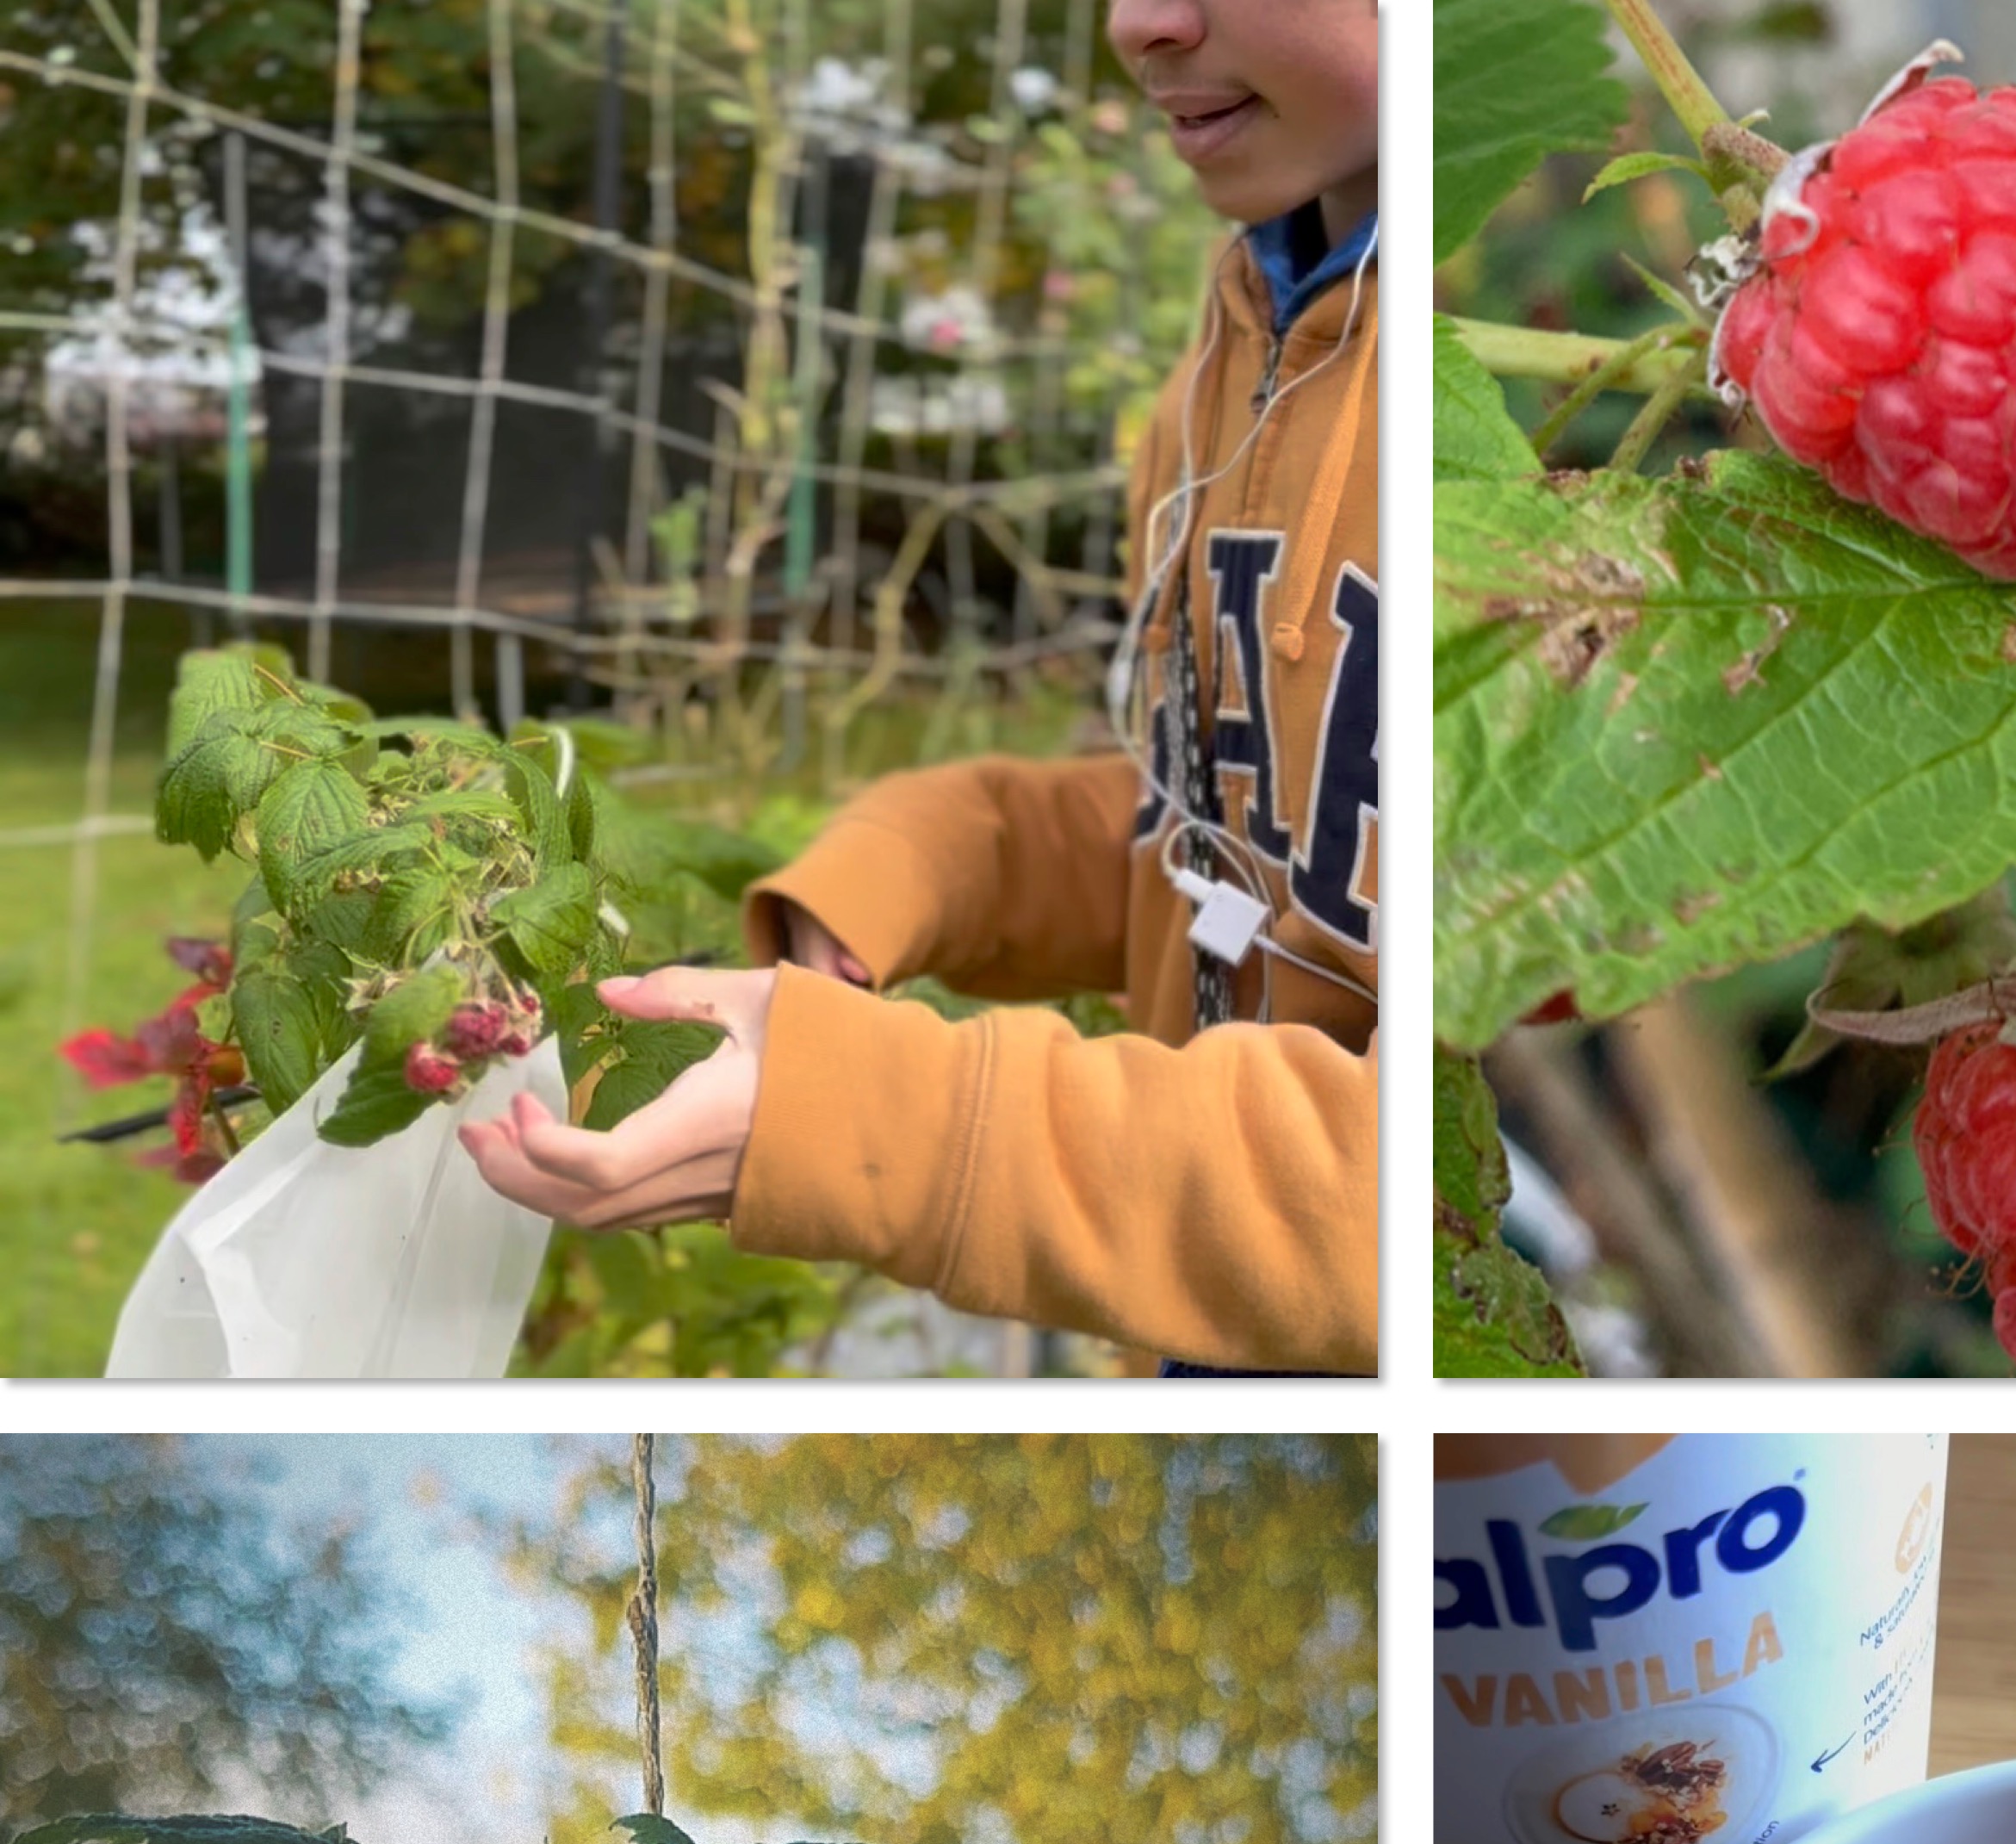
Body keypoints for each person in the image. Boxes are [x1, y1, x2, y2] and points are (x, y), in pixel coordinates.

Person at [462, 0, 1376, 1375]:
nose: (1137, 24)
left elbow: (1395, 1197)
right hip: (1197, 1340)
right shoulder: (1240, 337)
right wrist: (920, 863)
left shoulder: (1489, 447)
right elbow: (1243, 831)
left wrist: (873, 1122)